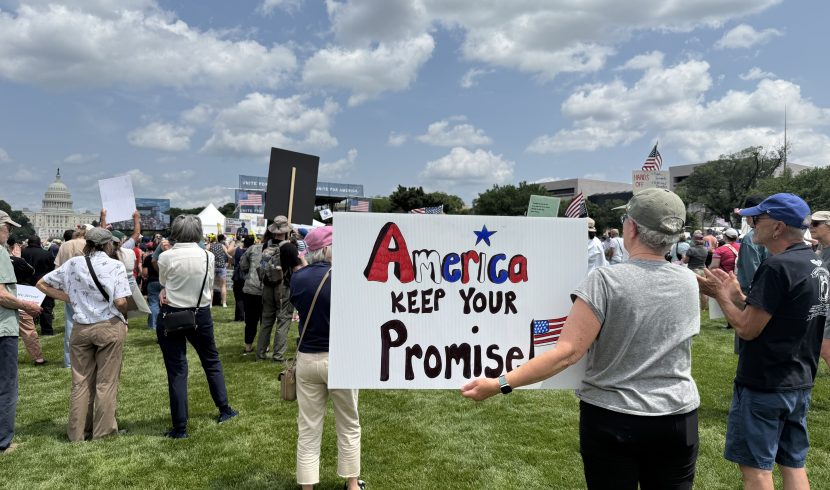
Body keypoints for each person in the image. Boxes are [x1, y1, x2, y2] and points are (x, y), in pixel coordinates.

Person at [462, 189, 700, 489]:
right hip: (679, 417)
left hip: (614, 416)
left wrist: (500, 383)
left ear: (632, 228)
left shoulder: (606, 280)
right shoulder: (688, 280)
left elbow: (568, 352)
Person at [698, 193, 827, 490]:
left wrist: (720, 296)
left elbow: (747, 329)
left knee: (756, 470)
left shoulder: (777, 266)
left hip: (766, 382)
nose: (752, 224)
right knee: (793, 464)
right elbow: (780, 313)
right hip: (799, 380)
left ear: (778, 227)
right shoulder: (813, 262)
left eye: (757, 219)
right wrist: (739, 298)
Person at [37, 227, 131, 441]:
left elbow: (41, 284)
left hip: (80, 327)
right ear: (108, 244)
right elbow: (120, 302)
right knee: (106, 382)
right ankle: (103, 431)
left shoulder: (73, 263)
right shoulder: (115, 265)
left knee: (80, 382)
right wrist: (126, 311)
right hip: (108, 325)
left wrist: (70, 298)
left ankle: (78, 432)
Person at [290, 226, 364, 490]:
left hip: (308, 357)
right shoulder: (347, 276)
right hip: (340, 357)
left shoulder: (298, 278)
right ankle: (352, 483)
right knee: (349, 424)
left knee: (308, 428)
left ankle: (307, 486)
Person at [156, 215, 237, 439]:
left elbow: (164, 282)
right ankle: (224, 409)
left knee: (177, 370)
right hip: (199, 313)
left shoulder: (166, 256)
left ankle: (180, 427)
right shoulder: (207, 256)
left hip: (172, 313)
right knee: (211, 361)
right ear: (198, 232)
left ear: (175, 232)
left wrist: (167, 291)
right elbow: (208, 284)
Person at [0, 211, 43, 454]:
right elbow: (2, 295)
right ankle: (3, 441)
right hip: (2, 327)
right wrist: (27, 306)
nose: (9, 231)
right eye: (7, 227)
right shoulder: (0, 253)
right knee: (6, 385)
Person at [257, 215, 302, 362]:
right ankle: (278, 356)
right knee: (283, 321)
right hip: (283, 288)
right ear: (286, 230)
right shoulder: (290, 248)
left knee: (266, 321)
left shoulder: (266, 245)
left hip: (267, 286)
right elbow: (297, 270)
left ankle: (260, 353)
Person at [54, 225, 91, 368]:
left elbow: (57, 268)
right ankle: (86, 358)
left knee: (70, 323)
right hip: (86, 286)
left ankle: (69, 361)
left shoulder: (64, 245)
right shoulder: (89, 244)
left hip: (69, 287)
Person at [239, 231, 270, 355]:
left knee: (250, 320)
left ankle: (248, 346)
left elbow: (243, 265)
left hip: (251, 288)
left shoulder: (252, 248)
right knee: (266, 321)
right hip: (268, 290)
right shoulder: (278, 250)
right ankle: (265, 346)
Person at [808, 210, 830, 372]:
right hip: (823, 304)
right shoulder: (822, 248)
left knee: (825, 348)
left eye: (815, 223)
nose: (811, 227)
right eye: (810, 224)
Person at [22, 236, 55, 335]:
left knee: (26, 308)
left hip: (26, 283)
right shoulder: (47, 254)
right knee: (46, 308)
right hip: (43, 283)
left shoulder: (23, 252)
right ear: (39, 243)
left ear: (29, 242)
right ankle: (47, 330)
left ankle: (27, 329)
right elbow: (52, 269)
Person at [231, 235, 253, 323]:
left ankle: (239, 316)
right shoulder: (253, 252)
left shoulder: (238, 250)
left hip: (238, 277)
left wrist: (234, 241)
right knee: (247, 298)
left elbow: (229, 251)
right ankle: (245, 315)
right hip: (249, 276)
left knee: (239, 297)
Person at [208, 234, 232, 308]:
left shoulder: (209, 245)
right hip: (221, 266)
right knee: (223, 286)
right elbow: (228, 255)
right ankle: (224, 303)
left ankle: (210, 304)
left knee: (211, 286)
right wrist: (229, 264)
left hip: (213, 267)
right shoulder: (222, 245)